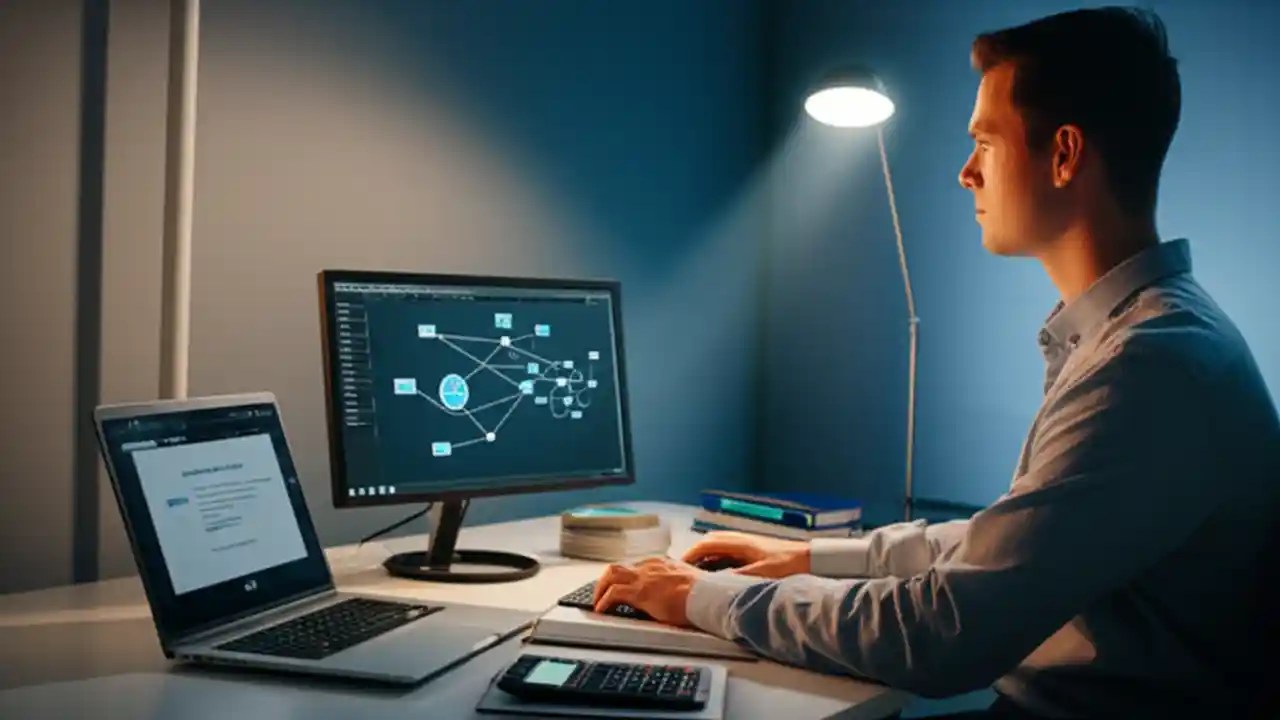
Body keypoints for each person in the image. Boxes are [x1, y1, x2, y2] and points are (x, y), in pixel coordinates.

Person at [592, 6, 1280, 718]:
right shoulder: (1142, 337)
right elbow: (1009, 544)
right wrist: (812, 558)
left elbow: (940, 632)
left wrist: (706, 598)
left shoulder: (1149, 366)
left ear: (1064, 154)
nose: (965, 173)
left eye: (984, 142)